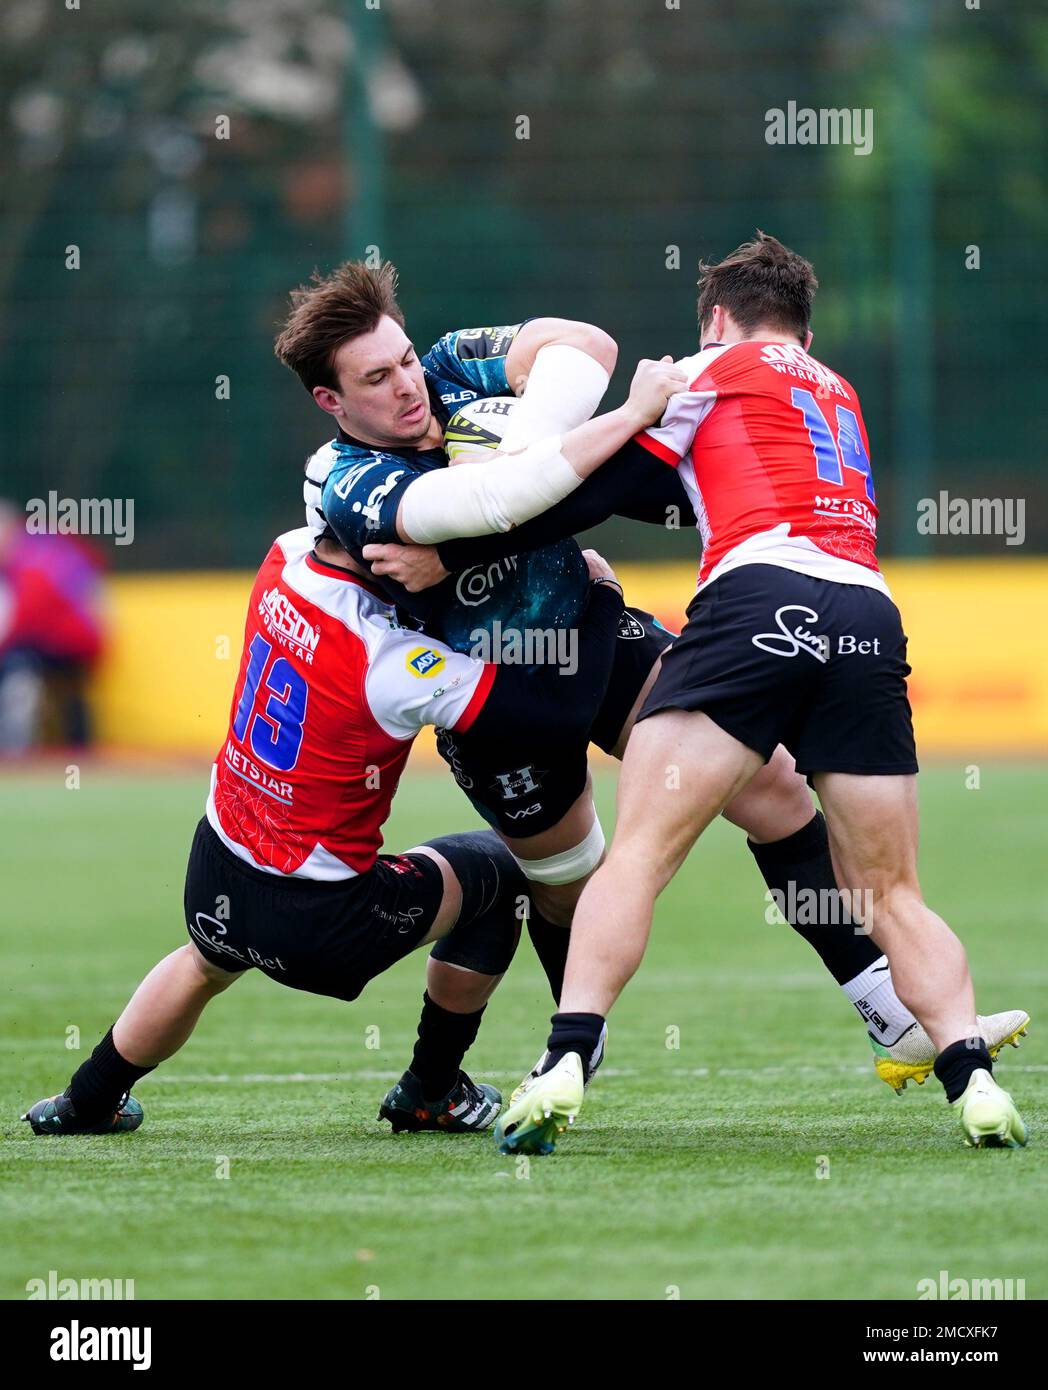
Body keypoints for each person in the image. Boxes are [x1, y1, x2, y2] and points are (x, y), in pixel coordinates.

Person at [281, 261, 1026, 1099]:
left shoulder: (454, 362)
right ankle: (475, 1072)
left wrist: (539, 432)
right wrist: (545, 463)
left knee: (777, 791)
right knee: (567, 886)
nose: (411, 385)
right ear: (333, 400)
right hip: (496, 698)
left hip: (594, 635)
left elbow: (580, 345)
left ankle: (884, 1008)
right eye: (378, 379)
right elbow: (487, 505)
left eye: (406, 359)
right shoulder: (341, 477)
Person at [21, 354, 681, 1138]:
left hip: (221, 855)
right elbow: (550, 713)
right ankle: (431, 1088)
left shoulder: (285, 558)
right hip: (321, 917)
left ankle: (87, 1099)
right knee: (501, 875)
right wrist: (600, 596)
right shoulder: (394, 665)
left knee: (204, 961)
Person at [495, 232, 1029, 1155]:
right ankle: (970, 1076)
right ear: (807, 333)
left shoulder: (710, 366)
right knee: (892, 890)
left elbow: (589, 483)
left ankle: (567, 1059)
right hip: (867, 612)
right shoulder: (838, 390)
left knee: (640, 856)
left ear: (716, 316)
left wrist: (481, 512)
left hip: (758, 601)